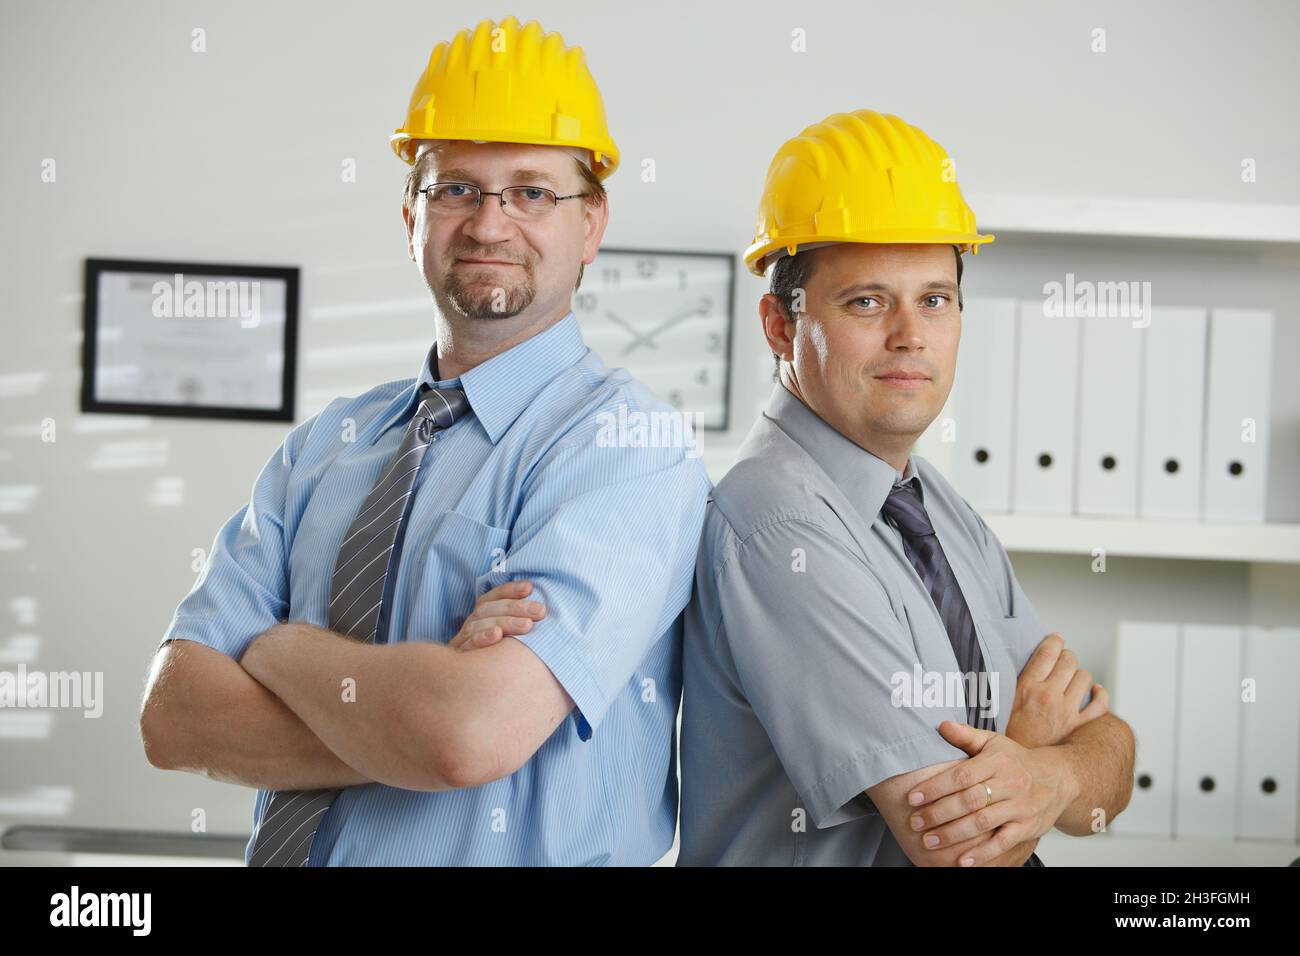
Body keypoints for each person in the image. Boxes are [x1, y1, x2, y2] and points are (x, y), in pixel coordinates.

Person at [139, 16, 709, 866]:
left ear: (591, 225)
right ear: (411, 215)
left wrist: (276, 646)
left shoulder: (630, 450)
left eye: (532, 192)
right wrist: (413, 710)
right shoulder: (324, 447)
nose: (489, 224)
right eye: (456, 190)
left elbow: (468, 735)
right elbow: (172, 717)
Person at [677, 109, 1135, 866]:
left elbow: (1106, 770)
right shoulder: (777, 525)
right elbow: (959, 849)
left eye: (934, 299)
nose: (910, 335)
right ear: (779, 325)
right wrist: (1030, 751)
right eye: (866, 301)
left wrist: (1047, 776)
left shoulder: (934, 507)